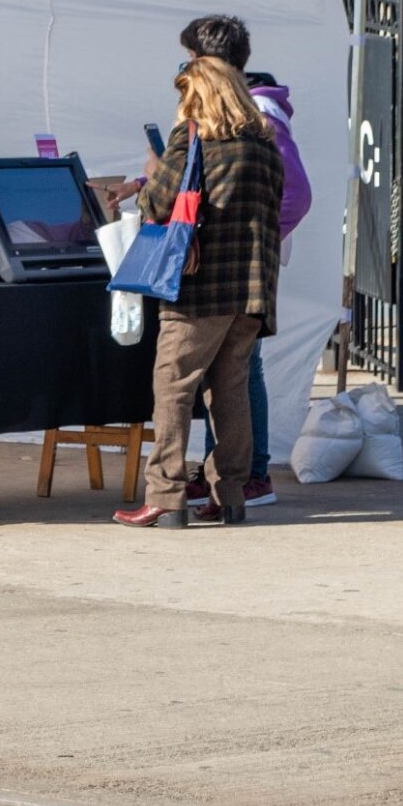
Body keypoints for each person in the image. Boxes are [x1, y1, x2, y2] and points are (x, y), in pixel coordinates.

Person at [114, 57, 284, 529]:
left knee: (173, 387)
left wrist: (153, 170)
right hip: (252, 290)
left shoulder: (192, 140)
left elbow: (159, 203)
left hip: (199, 289)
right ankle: (230, 495)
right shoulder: (265, 146)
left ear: (199, 96)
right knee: (230, 392)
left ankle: (166, 497)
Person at [176, 15, 313, 510]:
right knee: (229, 370)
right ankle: (226, 474)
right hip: (239, 256)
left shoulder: (259, 113)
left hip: (243, 260)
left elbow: (295, 194)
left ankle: (251, 474)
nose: (185, 68)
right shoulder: (240, 107)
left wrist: (252, 235)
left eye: (191, 58)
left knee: (239, 369)